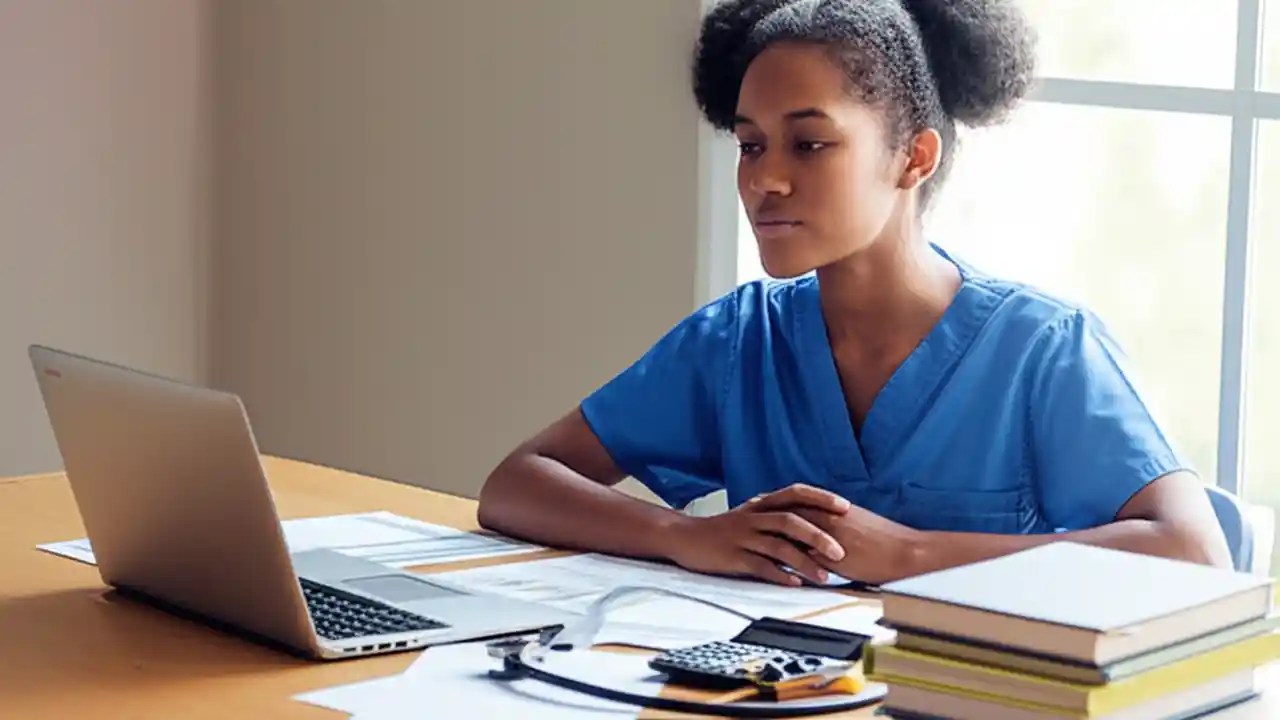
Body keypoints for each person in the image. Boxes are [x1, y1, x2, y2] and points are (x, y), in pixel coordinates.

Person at [477, 0, 1231, 587]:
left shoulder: (1042, 350)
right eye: (749, 144)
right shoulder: (740, 342)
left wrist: (905, 552)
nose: (763, 180)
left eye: (809, 144)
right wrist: (686, 537)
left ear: (913, 156)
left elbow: (1194, 554)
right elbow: (515, 485)